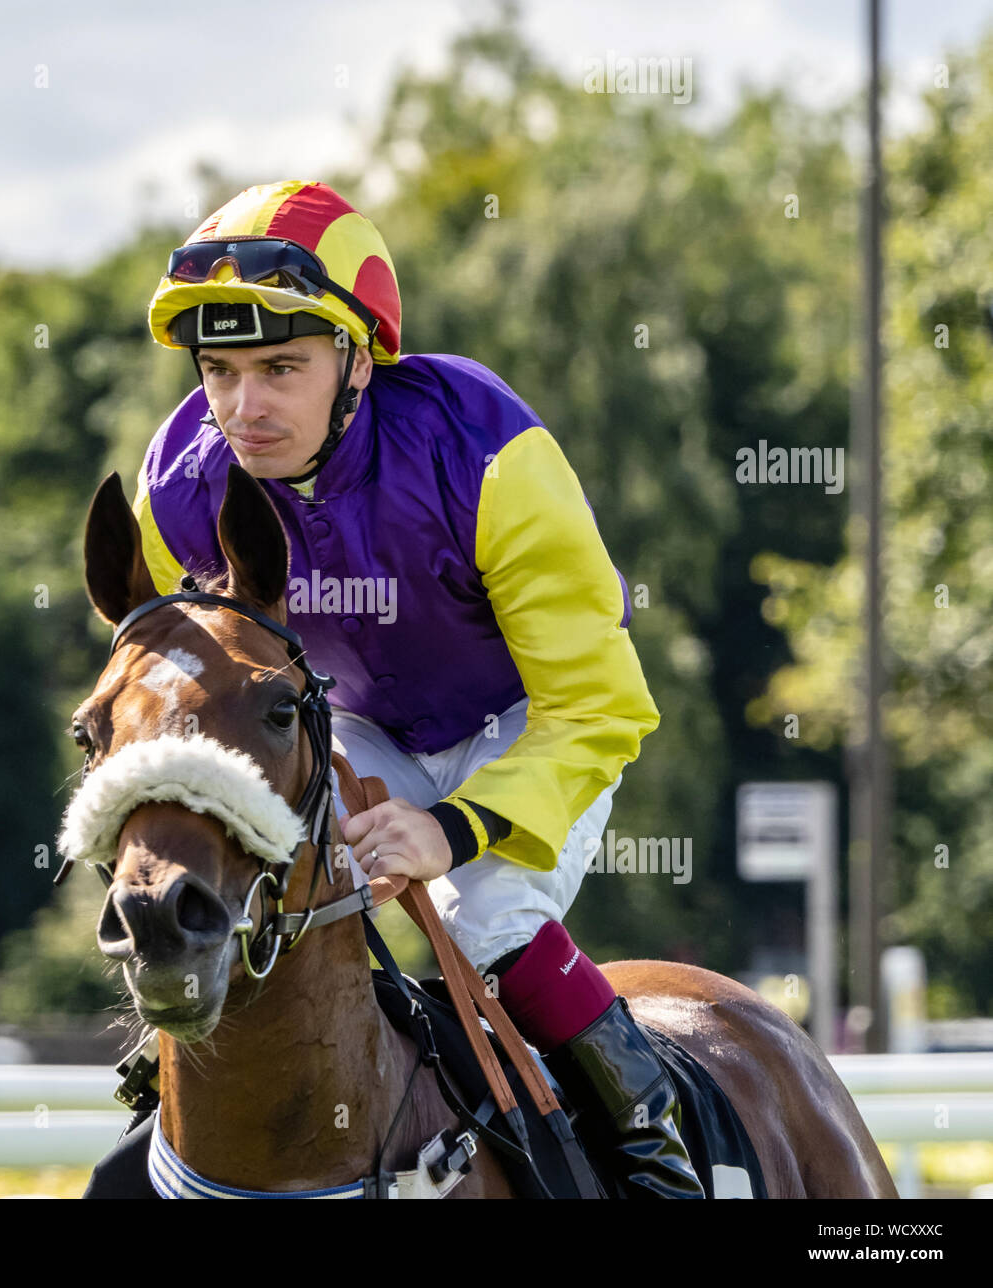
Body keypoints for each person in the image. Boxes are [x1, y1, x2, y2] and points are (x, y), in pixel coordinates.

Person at [108, 178, 703, 1199]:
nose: (243, 409)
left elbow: (599, 705)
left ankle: (652, 1154)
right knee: (263, 880)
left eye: (281, 368)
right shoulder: (178, 486)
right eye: (219, 371)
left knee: (485, 920)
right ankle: (167, 1106)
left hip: (526, 724)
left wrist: (455, 829)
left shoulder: (484, 449)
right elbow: (189, 703)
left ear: (356, 361)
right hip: (358, 726)